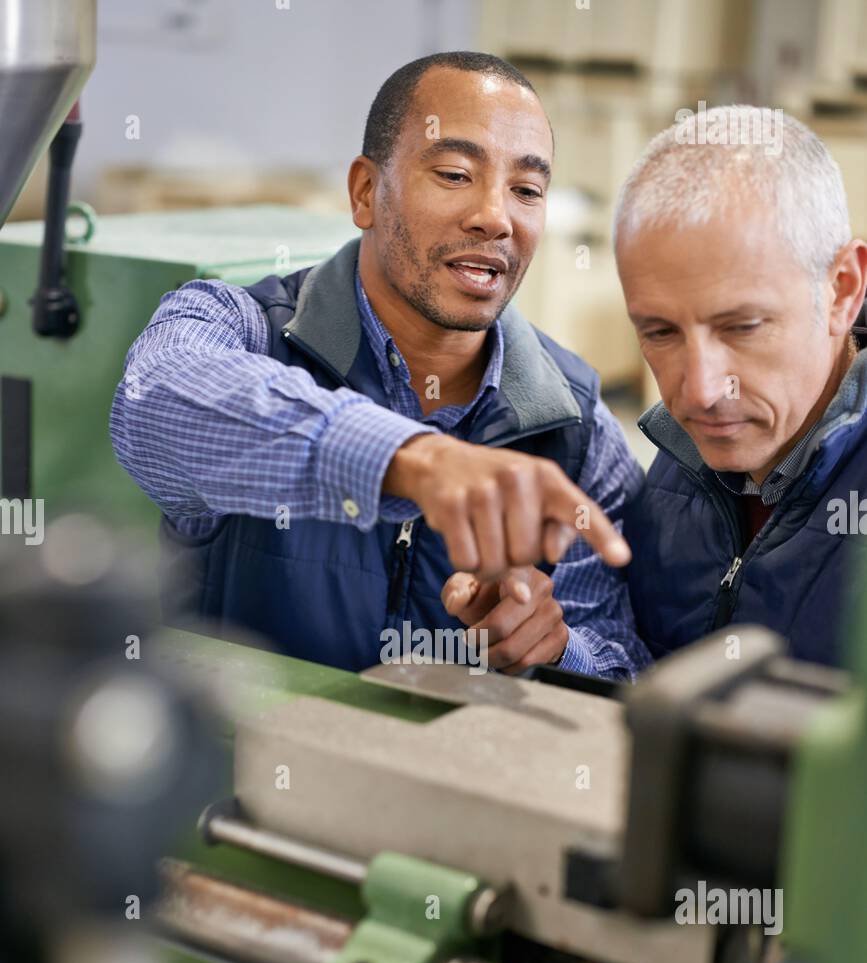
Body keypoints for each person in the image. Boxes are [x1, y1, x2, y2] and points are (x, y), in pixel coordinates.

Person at [111, 52, 649, 678]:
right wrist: (414, 460)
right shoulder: (242, 328)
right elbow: (152, 402)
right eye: (454, 173)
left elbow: (623, 668)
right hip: (241, 767)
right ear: (366, 192)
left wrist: (552, 649)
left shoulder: (578, 431)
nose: (495, 217)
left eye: (526, 190)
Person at [616, 106, 867, 668]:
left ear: (842, 290)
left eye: (743, 327)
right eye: (660, 332)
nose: (700, 391)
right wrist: (564, 649)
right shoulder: (676, 465)